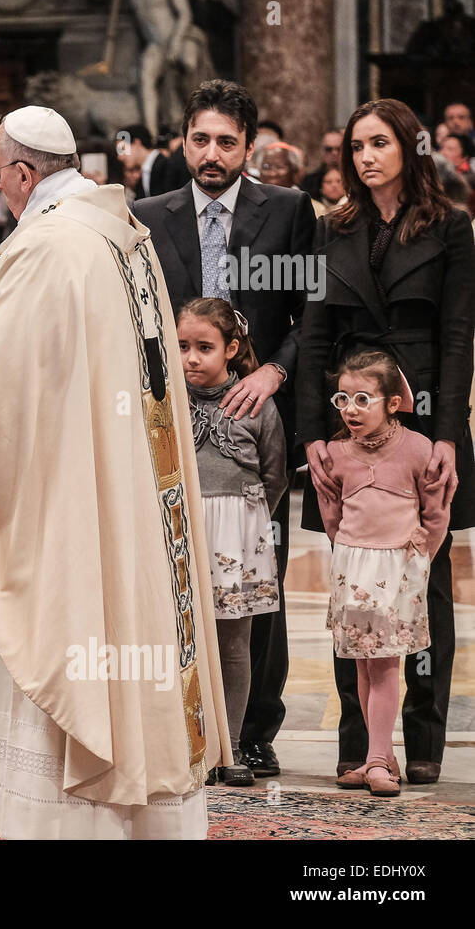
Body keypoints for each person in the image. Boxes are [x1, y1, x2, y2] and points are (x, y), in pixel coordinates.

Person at [0, 104, 230, 839]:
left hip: (74, 493)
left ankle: (71, 821)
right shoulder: (119, 231)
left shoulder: (48, 244)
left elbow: (2, 369)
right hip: (127, 475)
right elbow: (68, 341)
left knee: (65, 615)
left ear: (26, 173)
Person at [134, 80, 316, 780]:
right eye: (200, 139)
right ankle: (180, 724)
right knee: (175, 584)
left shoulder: (289, 212)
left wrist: (273, 370)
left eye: (227, 142)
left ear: (250, 147)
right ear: (184, 140)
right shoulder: (150, 214)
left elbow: (312, 314)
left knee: (254, 586)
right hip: (173, 422)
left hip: (254, 419)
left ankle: (253, 730)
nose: (212, 154)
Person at [298, 98, 475, 786]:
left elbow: (457, 334)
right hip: (349, 419)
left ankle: (424, 737)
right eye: (355, 147)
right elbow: (314, 332)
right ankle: (360, 743)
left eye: (378, 143)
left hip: (420, 418)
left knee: (424, 580)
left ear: (409, 146)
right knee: (351, 582)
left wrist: (450, 437)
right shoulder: (331, 227)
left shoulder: (451, 227)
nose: (365, 157)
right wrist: (314, 428)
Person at [315, 351, 449, 796]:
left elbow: (436, 511)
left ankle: (375, 760)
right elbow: (332, 513)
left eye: (362, 399)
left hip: (397, 569)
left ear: (392, 403)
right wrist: (349, 552)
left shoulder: (418, 449)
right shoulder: (336, 453)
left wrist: (418, 555)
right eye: (342, 399)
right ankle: (383, 754)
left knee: (387, 665)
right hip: (353, 567)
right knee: (363, 666)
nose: (350, 409)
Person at [178, 298, 287, 787]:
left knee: (233, 643)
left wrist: (247, 522)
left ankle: (232, 745)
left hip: (235, 538)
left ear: (232, 349)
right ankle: (184, 743)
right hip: (179, 530)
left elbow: (274, 473)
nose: (192, 358)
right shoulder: (165, 401)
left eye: (204, 347)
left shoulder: (254, 405)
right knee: (180, 639)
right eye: (183, 347)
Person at [299, 128, 344, 200]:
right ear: (322, 151)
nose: (334, 153)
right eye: (329, 149)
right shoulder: (309, 182)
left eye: (339, 149)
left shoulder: (356, 177)